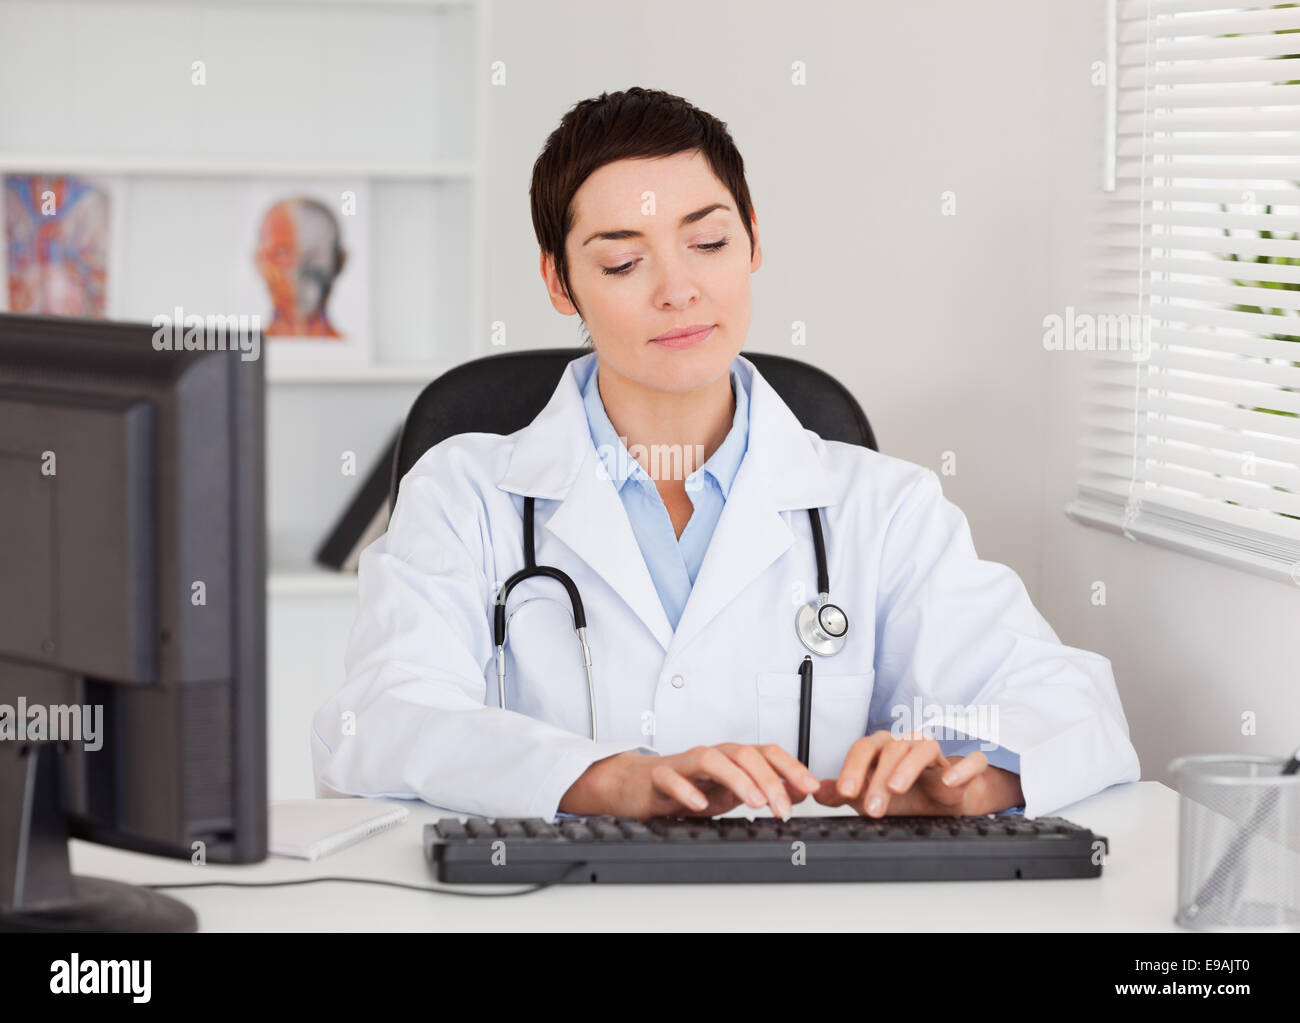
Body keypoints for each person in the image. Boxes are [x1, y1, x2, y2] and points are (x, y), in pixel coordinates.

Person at [311, 87, 1140, 821]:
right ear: (560, 283)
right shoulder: (464, 495)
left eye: (707, 243)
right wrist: (607, 781)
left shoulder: (882, 508)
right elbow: (380, 720)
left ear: (751, 242)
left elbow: (1070, 703)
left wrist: (971, 777)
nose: (678, 288)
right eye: (623, 260)